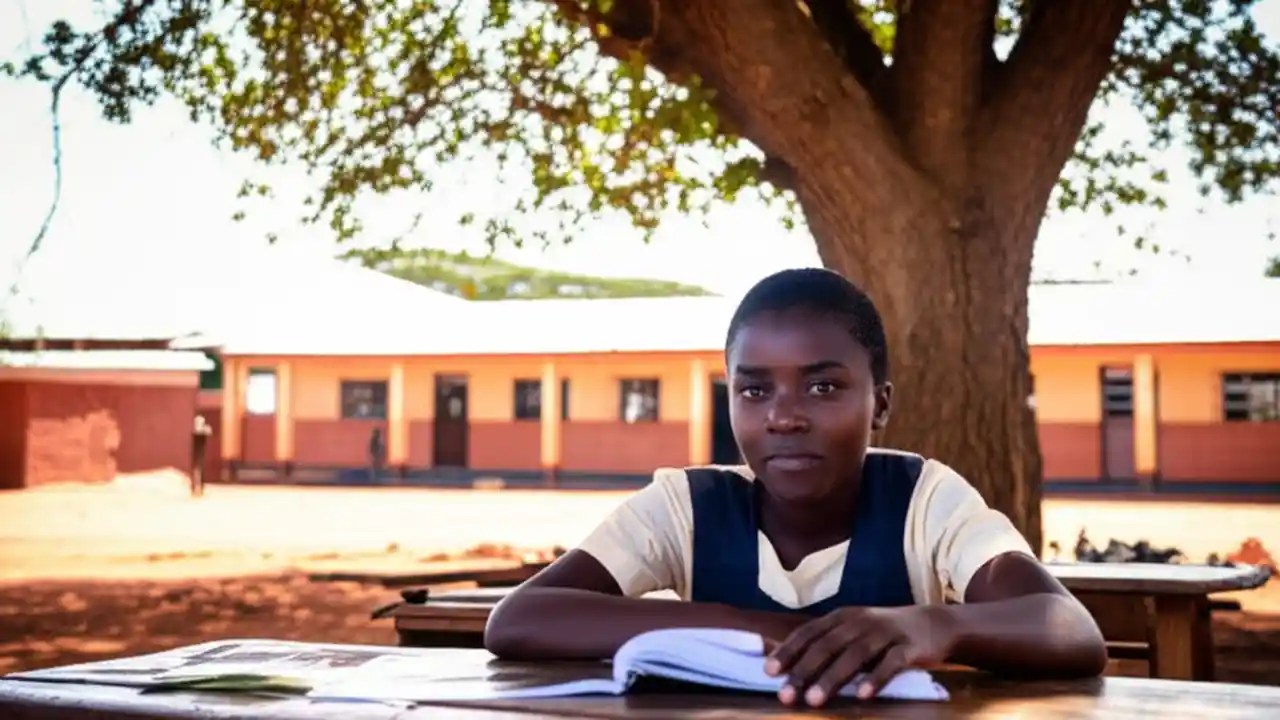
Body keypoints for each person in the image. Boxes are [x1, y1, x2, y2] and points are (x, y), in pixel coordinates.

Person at [484, 268, 1106, 707]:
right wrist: (738, 626)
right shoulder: (686, 507)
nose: (784, 416)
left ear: (880, 403)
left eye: (823, 387)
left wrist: (936, 627)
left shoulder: (925, 500)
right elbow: (518, 619)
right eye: (754, 391)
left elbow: (1069, 627)